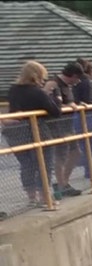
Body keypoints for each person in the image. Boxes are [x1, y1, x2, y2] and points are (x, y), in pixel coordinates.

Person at [3, 60, 62, 205]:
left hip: (16, 132)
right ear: (37, 76)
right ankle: (45, 197)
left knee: (27, 164)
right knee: (44, 163)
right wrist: (53, 97)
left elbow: (14, 110)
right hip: (37, 131)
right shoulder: (37, 92)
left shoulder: (14, 89)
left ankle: (31, 197)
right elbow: (55, 112)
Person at [42, 62, 84, 197]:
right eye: (78, 78)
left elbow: (67, 101)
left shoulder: (67, 86)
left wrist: (76, 104)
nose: (78, 81)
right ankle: (61, 184)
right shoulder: (54, 84)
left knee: (76, 152)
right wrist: (68, 105)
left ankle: (64, 181)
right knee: (61, 155)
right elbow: (49, 102)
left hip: (67, 125)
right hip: (56, 126)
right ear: (73, 76)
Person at [72, 58, 92, 179]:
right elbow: (88, 101)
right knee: (91, 145)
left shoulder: (77, 82)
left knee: (85, 145)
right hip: (86, 116)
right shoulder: (86, 83)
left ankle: (90, 169)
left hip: (79, 116)